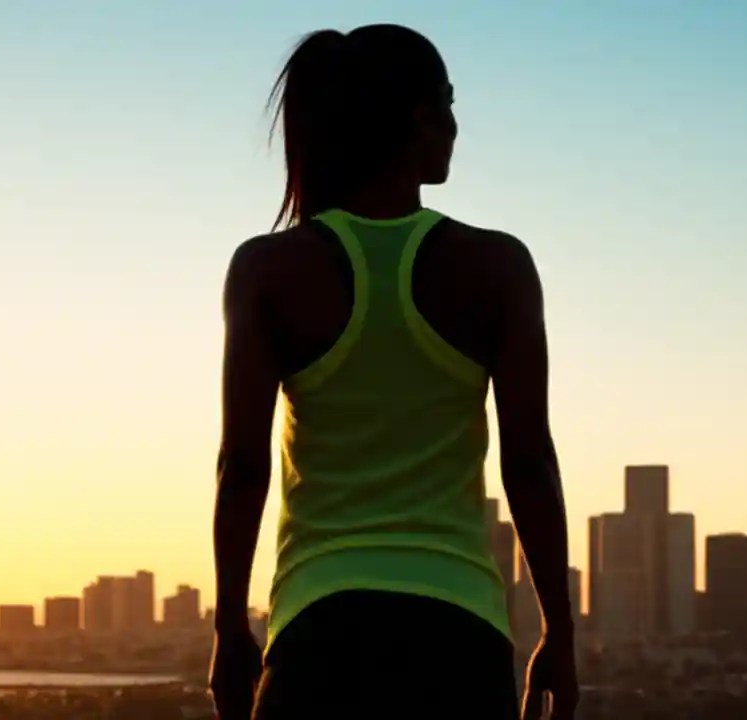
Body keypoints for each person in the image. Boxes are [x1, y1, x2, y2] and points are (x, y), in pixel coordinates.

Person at [209, 24, 577, 720]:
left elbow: (242, 465)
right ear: (418, 117)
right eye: (450, 104)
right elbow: (529, 463)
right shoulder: (497, 267)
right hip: (460, 641)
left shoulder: (267, 270)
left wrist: (230, 629)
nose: (456, 126)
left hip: (317, 638)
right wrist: (560, 631)